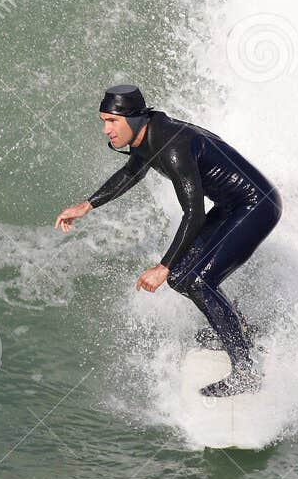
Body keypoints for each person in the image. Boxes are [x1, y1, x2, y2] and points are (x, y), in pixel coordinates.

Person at [55, 84, 281, 396]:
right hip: (232, 207)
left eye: (111, 121)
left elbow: (194, 214)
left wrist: (162, 266)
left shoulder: (172, 146)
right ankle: (239, 328)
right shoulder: (146, 135)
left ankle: (246, 371)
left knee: (197, 281)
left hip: (256, 205)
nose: (106, 129)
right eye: (103, 121)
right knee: (182, 277)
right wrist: (87, 205)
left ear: (133, 118)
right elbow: (132, 172)